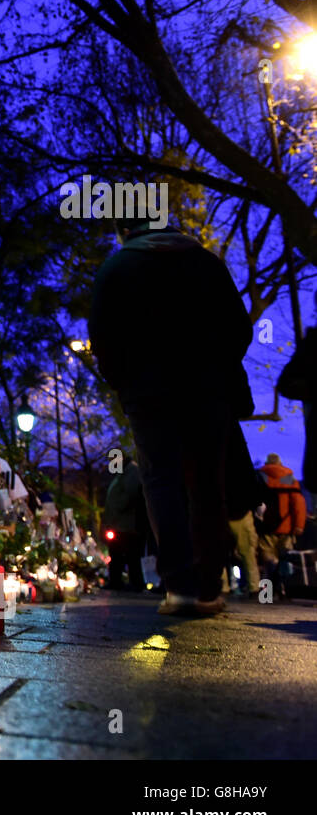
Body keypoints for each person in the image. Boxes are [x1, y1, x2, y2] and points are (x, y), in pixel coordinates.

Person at [89, 222, 253, 616]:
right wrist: (219, 367)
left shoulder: (117, 267)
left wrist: (122, 381)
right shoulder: (206, 264)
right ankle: (209, 586)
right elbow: (240, 328)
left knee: (159, 480)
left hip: (147, 393)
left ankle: (179, 585)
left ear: (127, 229)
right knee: (207, 484)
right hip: (206, 390)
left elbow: (102, 334)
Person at [223, 426, 266, 599]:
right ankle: (255, 588)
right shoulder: (242, 459)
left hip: (220, 509)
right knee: (248, 552)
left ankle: (222, 586)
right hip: (241, 511)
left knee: (218, 551)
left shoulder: (214, 457)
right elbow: (251, 483)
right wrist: (256, 505)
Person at [102, 459, 150, 590]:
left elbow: (131, 494)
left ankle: (135, 582)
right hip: (119, 523)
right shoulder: (123, 473)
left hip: (127, 523)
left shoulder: (131, 472)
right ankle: (117, 581)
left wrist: (118, 507)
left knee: (131, 554)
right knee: (118, 554)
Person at [259, 453, 306, 571]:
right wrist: (299, 525)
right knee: (287, 562)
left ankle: (269, 588)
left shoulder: (259, 477)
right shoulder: (289, 478)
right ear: (280, 463)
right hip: (286, 528)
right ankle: (285, 586)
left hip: (266, 528)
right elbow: (298, 504)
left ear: (266, 464)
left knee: (268, 563)